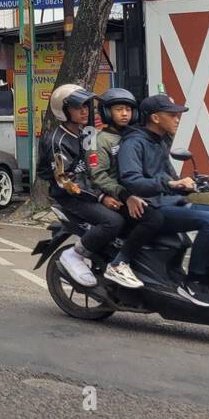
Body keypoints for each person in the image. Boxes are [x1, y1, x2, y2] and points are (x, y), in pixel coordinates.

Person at [116, 94, 209, 307]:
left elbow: (168, 174)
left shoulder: (161, 140)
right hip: (151, 207)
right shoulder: (134, 143)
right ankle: (193, 282)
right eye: (172, 115)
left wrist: (191, 184)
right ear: (156, 118)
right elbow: (131, 180)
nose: (177, 119)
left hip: (168, 201)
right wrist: (171, 184)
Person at [38, 84, 125, 288]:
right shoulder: (57, 141)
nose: (85, 110)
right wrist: (101, 197)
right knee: (113, 222)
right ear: (64, 110)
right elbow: (64, 181)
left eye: (87, 105)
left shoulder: (88, 133)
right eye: (78, 107)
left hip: (91, 190)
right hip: (70, 197)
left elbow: (96, 167)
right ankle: (74, 255)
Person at [89, 88, 159, 288]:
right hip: (119, 197)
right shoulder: (99, 140)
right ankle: (120, 263)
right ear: (106, 113)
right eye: (119, 109)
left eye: (128, 109)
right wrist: (123, 195)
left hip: (138, 192)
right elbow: (99, 175)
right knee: (152, 219)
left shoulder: (136, 136)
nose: (125, 114)